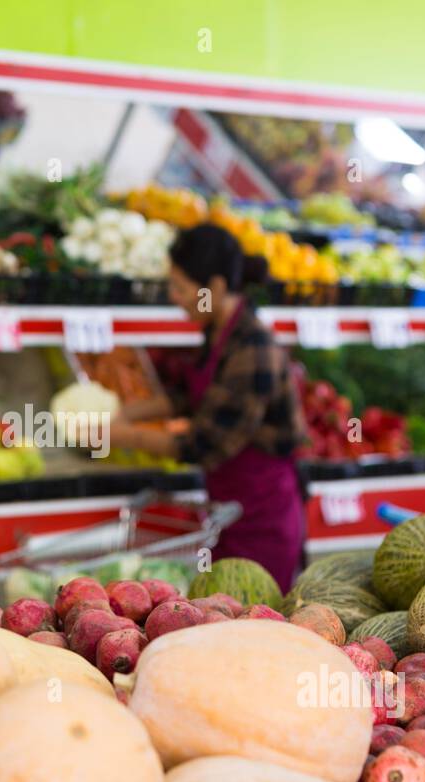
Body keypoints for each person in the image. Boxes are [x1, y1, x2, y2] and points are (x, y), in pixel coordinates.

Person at [109, 224, 307, 591]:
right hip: (227, 512)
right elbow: (186, 395)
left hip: (262, 520)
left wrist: (120, 435)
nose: (174, 297)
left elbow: (204, 443)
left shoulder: (254, 348)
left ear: (214, 287)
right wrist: (125, 411)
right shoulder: (218, 332)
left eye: (181, 288)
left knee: (253, 620)